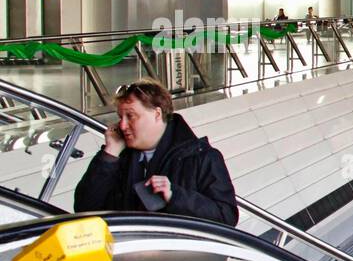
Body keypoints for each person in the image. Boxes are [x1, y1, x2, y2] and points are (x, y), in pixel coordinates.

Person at [74, 81, 238, 225]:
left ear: (157, 114)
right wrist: (109, 155)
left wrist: (176, 196)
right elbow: (84, 209)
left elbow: (226, 216)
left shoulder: (201, 157)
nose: (122, 126)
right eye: (120, 117)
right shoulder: (119, 158)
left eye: (130, 116)